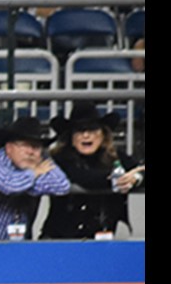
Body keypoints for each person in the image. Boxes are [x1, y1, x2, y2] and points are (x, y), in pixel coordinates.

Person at [40, 102, 142, 241]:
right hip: (60, 239)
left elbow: (140, 169)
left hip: (105, 240)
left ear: (103, 134)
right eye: (79, 130)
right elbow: (82, 177)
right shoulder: (60, 158)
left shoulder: (115, 156)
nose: (86, 135)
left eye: (93, 130)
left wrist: (135, 177)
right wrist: (118, 180)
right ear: (71, 137)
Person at [0, 116, 70, 241]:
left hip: (21, 248)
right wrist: (34, 174)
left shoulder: (41, 161)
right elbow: (10, 185)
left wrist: (16, 184)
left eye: (36, 146)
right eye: (24, 145)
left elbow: (61, 185)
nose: (30, 152)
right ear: (9, 147)